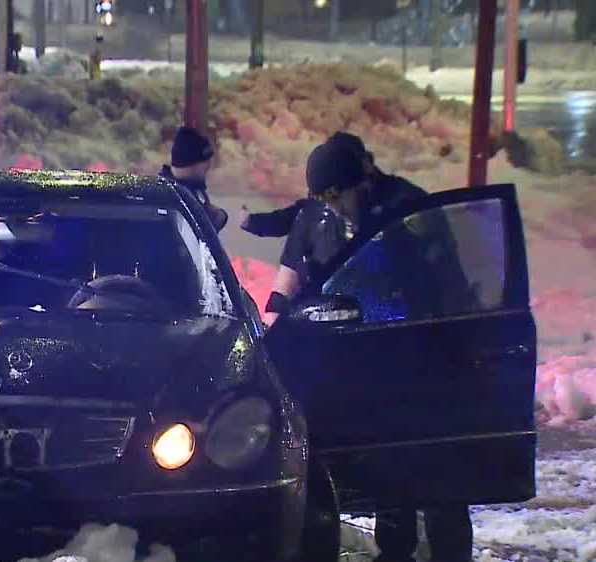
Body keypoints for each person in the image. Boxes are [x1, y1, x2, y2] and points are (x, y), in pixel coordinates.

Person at [266, 136, 473, 562]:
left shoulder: (409, 211)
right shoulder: (321, 218)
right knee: (386, 463)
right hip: (364, 361)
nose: (333, 206)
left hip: (421, 358)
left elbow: (446, 284)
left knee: (439, 471)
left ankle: (451, 552)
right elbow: (302, 273)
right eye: (324, 199)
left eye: (336, 196)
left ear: (360, 182)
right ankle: (394, 550)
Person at [239, 132, 421, 239]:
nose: (335, 210)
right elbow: (297, 216)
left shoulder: (405, 205)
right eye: (324, 200)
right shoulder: (332, 202)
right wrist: (252, 222)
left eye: (336, 197)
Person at [160, 126, 229, 232]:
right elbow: (201, 230)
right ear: (196, 163)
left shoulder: (192, 189)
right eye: (206, 161)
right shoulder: (171, 198)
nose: (208, 167)